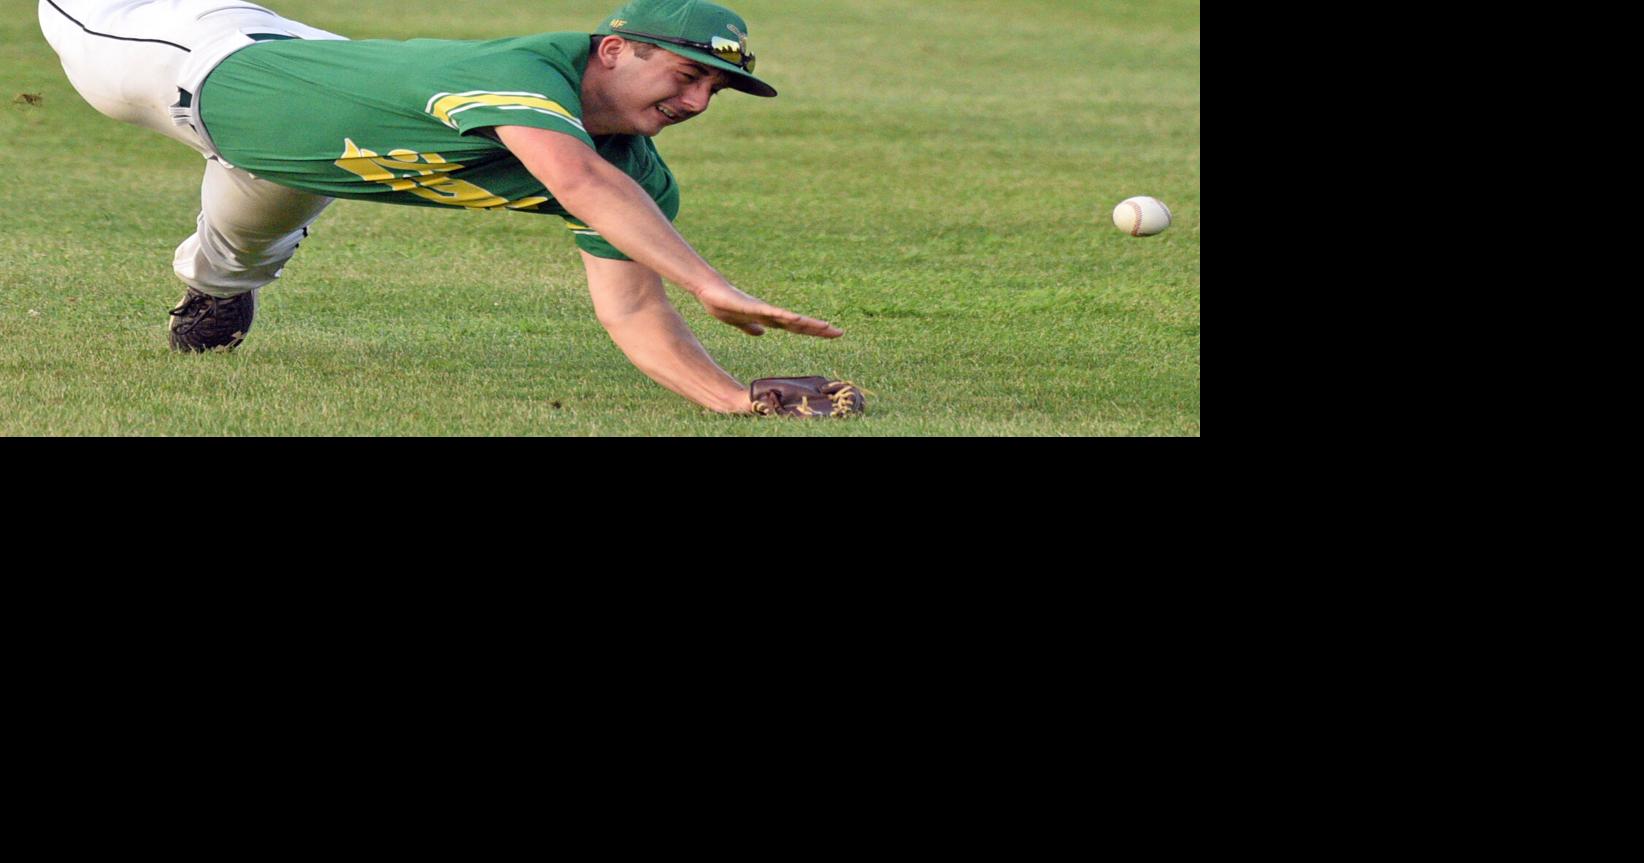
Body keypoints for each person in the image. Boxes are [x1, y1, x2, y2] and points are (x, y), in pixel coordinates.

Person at [38, 0, 848, 416]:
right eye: (686, 73)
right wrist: (710, 281)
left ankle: (211, 296)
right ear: (613, 49)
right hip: (178, 57)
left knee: (244, 255)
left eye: (717, 88)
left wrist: (738, 399)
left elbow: (635, 311)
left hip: (301, 148)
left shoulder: (635, 179)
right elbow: (579, 184)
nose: (699, 99)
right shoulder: (532, 75)